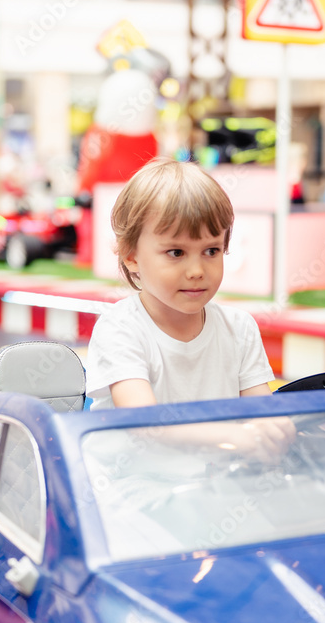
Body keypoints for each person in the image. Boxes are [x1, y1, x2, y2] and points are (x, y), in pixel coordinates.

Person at [85, 158, 294, 462]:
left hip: (214, 482)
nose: (197, 270)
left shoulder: (239, 328)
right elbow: (144, 422)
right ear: (131, 256)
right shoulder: (120, 329)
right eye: (176, 252)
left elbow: (261, 413)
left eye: (211, 251)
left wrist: (278, 430)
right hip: (131, 488)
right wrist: (231, 436)